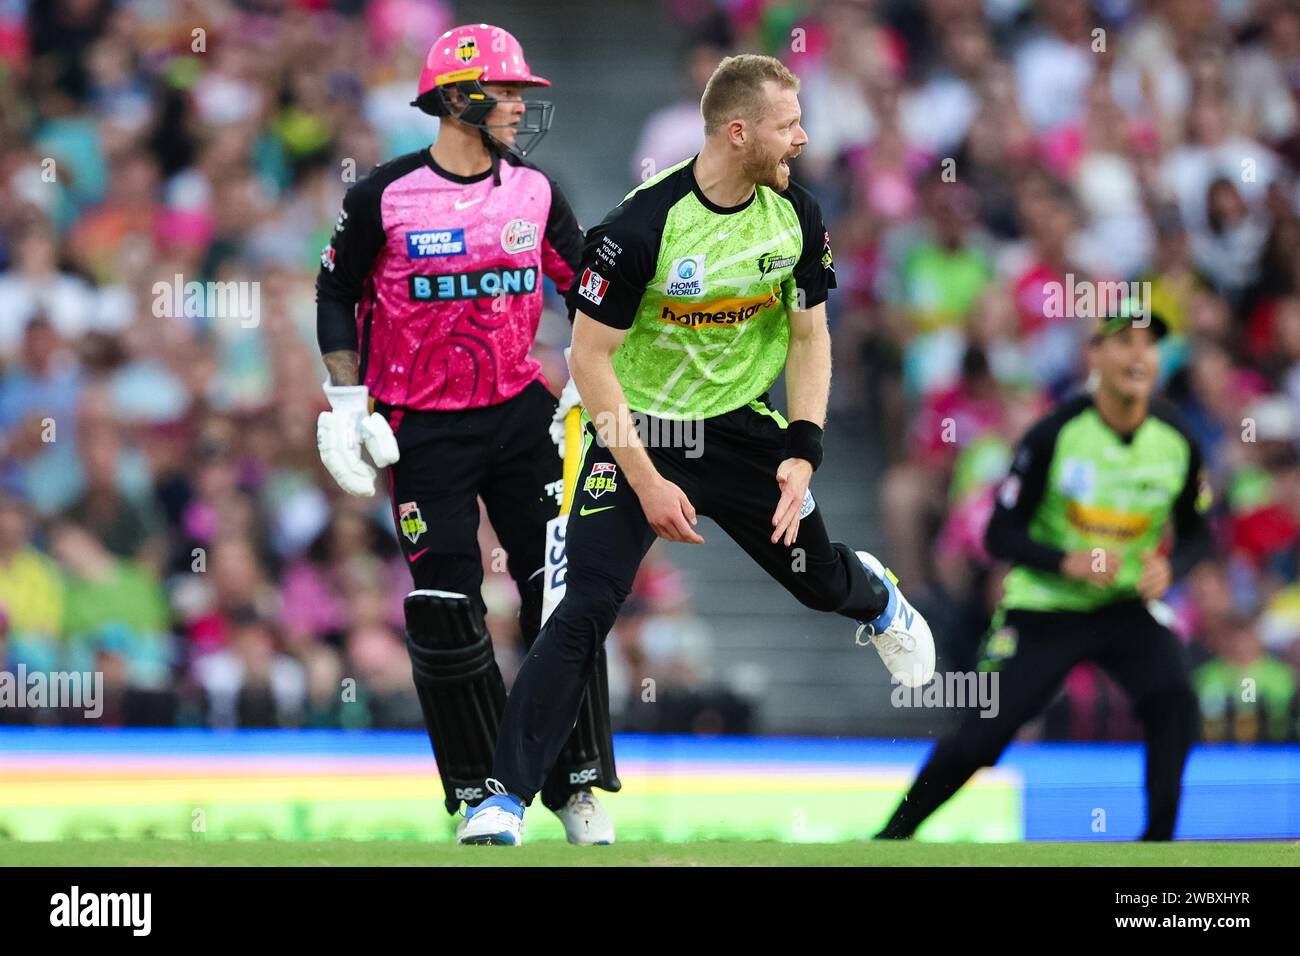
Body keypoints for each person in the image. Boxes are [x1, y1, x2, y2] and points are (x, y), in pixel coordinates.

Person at [460, 53, 935, 846]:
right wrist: (643, 478)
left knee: (819, 586)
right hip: (636, 430)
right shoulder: (639, 228)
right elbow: (588, 362)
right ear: (739, 131)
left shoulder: (797, 216)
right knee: (582, 609)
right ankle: (502, 800)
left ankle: (877, 596)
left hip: (744, 431)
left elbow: (812, 335)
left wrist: (805, 448)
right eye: (789, 126)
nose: (804, 138)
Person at [313, 23, 620, 845]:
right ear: (458, 97)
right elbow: (335, 292)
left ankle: (576, 785)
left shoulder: (536, 193)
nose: (520, 106)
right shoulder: (380, 195)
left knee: (560, 593)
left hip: (522, 414)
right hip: (422, 429)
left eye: (522, 92)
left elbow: (591, 286)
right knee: (445, 607)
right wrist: (347, 402)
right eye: (507, 91)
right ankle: (480, 795)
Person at [876, 301, 1210, 842]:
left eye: (1150, 343)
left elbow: (1199, 531)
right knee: (984, 738)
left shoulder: (1178, 439)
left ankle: (1157, 849)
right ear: (1095, 355)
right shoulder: (1054, 434)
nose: (1139, 354)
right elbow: (998, 534)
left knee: (1174, 697)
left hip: (1125, 607)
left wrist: (1168, 567)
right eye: (1124, 341)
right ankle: (891, 839)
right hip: (1046, 608)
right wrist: (1065, 560)